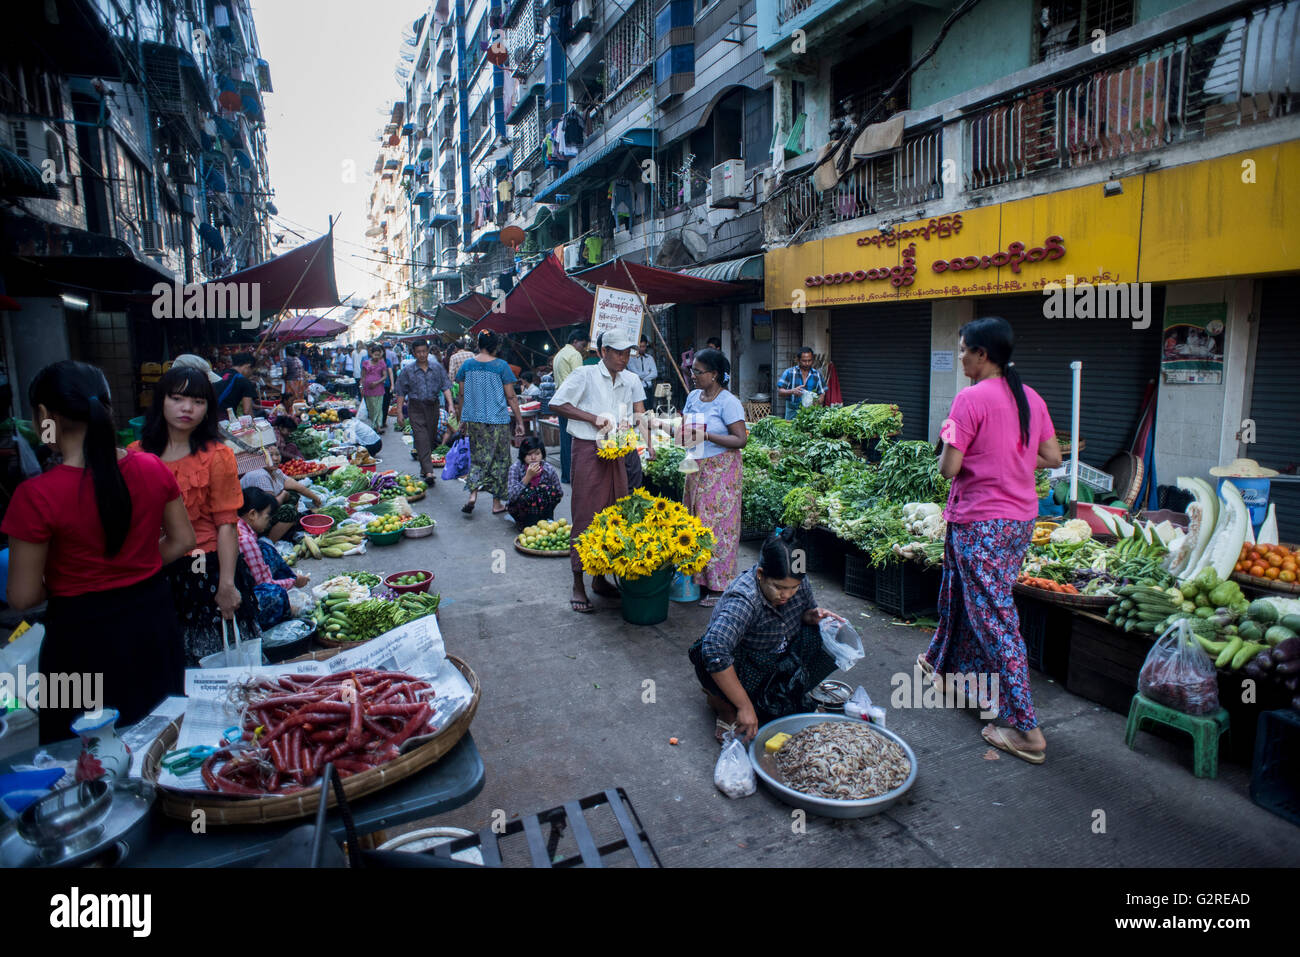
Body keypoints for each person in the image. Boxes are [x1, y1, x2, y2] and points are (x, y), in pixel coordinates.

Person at [2, 361, 195, 743]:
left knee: (83, 754)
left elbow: (23, 597)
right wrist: (134, 567)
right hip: (152, 625)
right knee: (161, 737)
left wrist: (73, 576)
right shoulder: (152, 468)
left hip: (79, 641)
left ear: (45, 416)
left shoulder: (36, 496)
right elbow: (183, 542)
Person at [921, 316, 1062, 765]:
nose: (960, 356)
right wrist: (1010, 465)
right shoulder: (1031, 397)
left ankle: (1026, 729)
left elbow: (948, 468)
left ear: (983, 354)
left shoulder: (969, 399)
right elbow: (1052, 457)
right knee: (962, 596)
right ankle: (949, 670)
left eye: (963, 349)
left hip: (980, 521)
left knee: (997, 620)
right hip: (1017, 521)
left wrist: (971, 454)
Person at [130, 366, 262, 667]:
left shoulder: (217, 455)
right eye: (177, 398)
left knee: (217, 665)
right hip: (154, 570)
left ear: (208, 408)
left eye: (198, 401)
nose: (187, 408)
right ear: (161, 400)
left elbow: (227, 523)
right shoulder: (135, 455)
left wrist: (227, 584)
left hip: (206, 569)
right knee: (165, 664)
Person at [689, 528, 843, 742]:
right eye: (779, 587)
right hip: (748, 662)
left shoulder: (798, 582)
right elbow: (715, 650)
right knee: (708, 656)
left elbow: (804, 613)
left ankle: (772, 695)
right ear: (761, 574)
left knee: (816, 636)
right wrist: (744, 706)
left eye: (793, 588)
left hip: (778, 656)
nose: (787, 595)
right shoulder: (744, 599)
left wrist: (813, 616)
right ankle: (723, 706)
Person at [549, 329, 647, 614]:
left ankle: (600, 579)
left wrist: (648, 443)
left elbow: (638, 414)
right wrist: (594, 419)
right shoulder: (585, 375)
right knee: (586, 513)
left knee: (614, 513)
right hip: (588, 449)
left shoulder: (630, 379)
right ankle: (578, 582)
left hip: (619, 450)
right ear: (602, 351)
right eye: (617, 352)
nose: (623, 357)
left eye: (627, 352)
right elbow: (557, 403)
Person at [681, 348, 748, 606]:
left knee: (718, 526)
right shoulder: (694, 397)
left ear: (714, 374)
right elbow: (688, 432)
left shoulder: (728, 402)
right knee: (694, 521)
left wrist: (708, 435)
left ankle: (720, 586)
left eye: (698, 371)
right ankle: (697, 579)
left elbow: (740, 439)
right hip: (696, 466)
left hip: (722, 470)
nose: (693, 375)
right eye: (692, 370)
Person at [454, 329, 525, 515]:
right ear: (496, 346)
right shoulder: (501, 366)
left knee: (479, 458)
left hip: (475, 420)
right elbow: (511, 397)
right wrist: (519, 422)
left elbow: (461, 394)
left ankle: (472, 495)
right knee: (501, 460)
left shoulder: (467, 365)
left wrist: (463, 419)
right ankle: (496, 503)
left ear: (478, 345)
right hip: (498, 420)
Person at [237, 487, 311, 629]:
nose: (269, 522)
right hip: (241, 596)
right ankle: (266, 624)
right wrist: (293, 581)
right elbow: (265, 584)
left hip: (242, 582)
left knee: (266, 548)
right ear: (252, 514)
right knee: (275, 594)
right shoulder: (246, 540)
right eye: (267, 517)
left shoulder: (240, 525)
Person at [395, 339, 453, 482]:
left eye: (424, 351)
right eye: (419, 352)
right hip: (415, 407)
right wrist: (399, 412)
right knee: (421, 438)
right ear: (414, 353)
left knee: (431, 438)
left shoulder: (437, 367)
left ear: (428, 351)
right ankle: (429, 472)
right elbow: (401, 392)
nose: (422, 354)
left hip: (433, 406)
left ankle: (424, 467)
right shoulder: (407, 370)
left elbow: (445, 386)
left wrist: (450, 405)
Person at [240, 445, 324, 541]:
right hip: (253, 518)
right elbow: (270, 507)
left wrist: (316, 498)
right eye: (270, 455)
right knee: (289, 511)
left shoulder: (275, 472)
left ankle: (286, 528)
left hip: (263, 512)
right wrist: (283, 495)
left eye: (277, 454)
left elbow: (296, 486)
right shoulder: (260, 475)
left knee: (293, 495)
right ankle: (269, 541)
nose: (275, 458)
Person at [552, 329, 589, 484]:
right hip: (572, 402)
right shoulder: (575, 355)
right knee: (575, 440)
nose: (584, 348)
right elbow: (580, 380)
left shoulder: (559, 354)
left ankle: (567, 475)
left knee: (565, 439)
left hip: (561, 400)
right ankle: (574, 475)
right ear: (575, 341)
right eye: (583, 344)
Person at [506, 436, 564, 526]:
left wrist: (544, 490)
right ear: (523, 455)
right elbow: (512, 497)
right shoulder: (515, 468)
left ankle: (546, 519)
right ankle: (526, 524)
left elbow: (559, 493)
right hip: (521, 510)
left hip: (542, 508)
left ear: (542, 454)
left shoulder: (548, 469)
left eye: (537, 454)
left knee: (548, 490)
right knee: (530, 492)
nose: (533, 457)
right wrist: (528, 477)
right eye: (529, 454)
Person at [778, 347, 825, 419]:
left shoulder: (817, 374)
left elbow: (822, 393)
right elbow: (780, 392)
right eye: (804, 361)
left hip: (810, 412)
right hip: (792, 412)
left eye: (809, 361)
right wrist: (792, 391)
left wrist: (817, 403)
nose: (807, 363)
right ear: (798, 360)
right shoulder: (789, 372)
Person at [216, 352, 258, 417]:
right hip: (226, 420)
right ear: (248, 366)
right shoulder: (245, 381)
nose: (251, 374)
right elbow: (247, 412)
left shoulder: (220, 374)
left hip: (210, 417)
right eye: (252, 370)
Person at [360, 345, 391, 432]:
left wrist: (377, 382)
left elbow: (385, 376)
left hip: (379, 388)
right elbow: (363, 376)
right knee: (371, 408)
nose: (376, 357)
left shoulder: (382, 363)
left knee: (378, 408)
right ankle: (373, 424)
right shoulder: (366, 363)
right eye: (375, 355)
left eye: (378, 355)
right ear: (371, 354)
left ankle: (378, 427)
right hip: (368, 389)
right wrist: (361, 387)